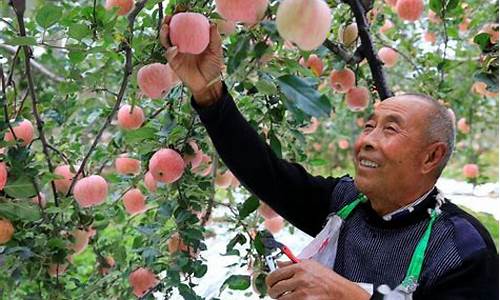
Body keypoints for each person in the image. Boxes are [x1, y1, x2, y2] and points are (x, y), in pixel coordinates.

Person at [160, 20, 499, 299]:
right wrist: (209, 92)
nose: (366, 140)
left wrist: (349, 296)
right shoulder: (345, 202)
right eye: (369, 125)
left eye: (390, 129)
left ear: (432, 156)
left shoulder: (461, 249)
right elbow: (263, 171)